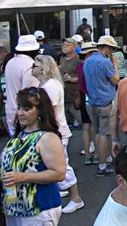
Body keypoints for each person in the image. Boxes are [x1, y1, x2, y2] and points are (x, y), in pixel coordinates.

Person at [0, 87, 66, 226]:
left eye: (27, 108)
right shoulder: (19, 135)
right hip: (15, 208)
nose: (21, 113)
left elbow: (58, 173)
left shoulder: (48, 138)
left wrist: (22, 177)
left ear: (40, 111)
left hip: (39, 207)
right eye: (20, 107)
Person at [31, 55, 86, 213]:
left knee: (62, 165)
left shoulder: (50, 86)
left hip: (55, 131)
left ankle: (76, 198)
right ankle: (64, 191)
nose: (31, 68)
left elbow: (50, 112)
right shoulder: (47, 84)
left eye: (34, 65)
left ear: (43, 68)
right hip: (53, 131)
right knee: (55, 164)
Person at [83, 35, 120, 174]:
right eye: (112, 49)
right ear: (106, 48)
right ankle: (103, 165)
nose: (112, 52)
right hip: (105, 101)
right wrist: (115, 65)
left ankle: (101, 157)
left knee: (97, 131)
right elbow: (116, 80)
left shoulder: (87, 61)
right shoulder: (105, 62)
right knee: (105, 133)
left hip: (91, 100)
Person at [2, 34, 40, 135]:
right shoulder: (30, 65)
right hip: (24, 115)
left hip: (10, 111)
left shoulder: (10, 62)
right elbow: (29, 94)